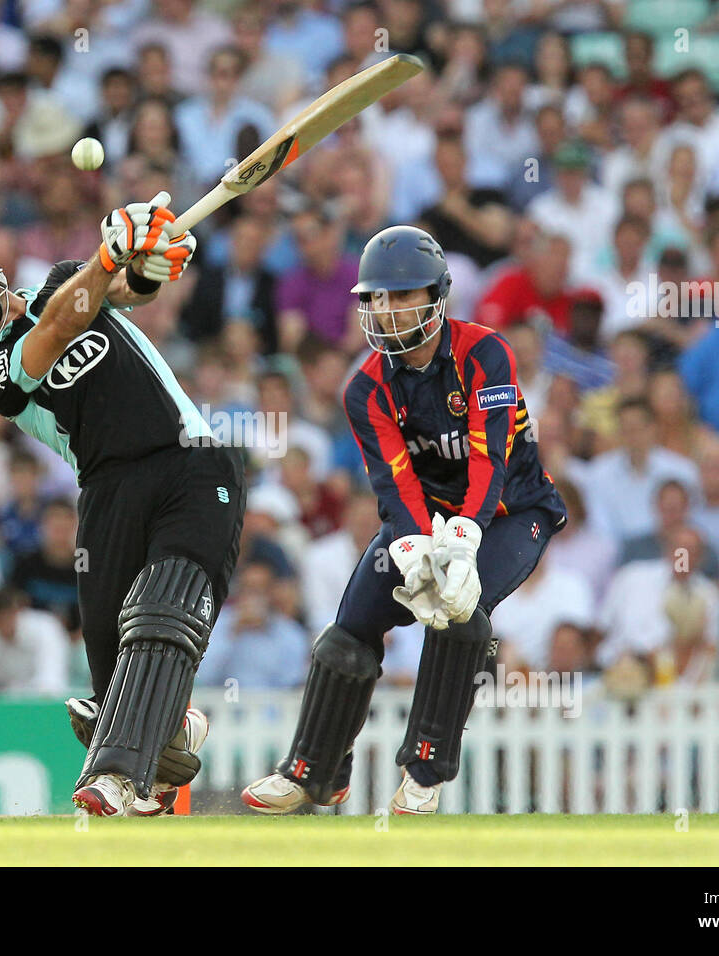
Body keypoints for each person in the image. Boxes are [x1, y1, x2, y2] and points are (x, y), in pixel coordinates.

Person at [0, 191, 246, 816]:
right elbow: (60, 325)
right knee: (117, 680)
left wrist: (147, 255)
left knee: (162, 617)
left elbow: (132, 292)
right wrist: (109, 256)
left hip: (188, 463)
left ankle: (113, 775)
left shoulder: (62, 278)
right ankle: (171, 735)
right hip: (107, 494)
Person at [242, 225, 567, 815]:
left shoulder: (485, 352)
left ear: (436, 296)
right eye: (375, 298)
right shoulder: (364, 387)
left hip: (511, 511)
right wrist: (417, 547)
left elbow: (487, 457)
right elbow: (393, 482)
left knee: (460, 616)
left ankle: (424, 770)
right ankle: (313, 772)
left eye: (400, 295)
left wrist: (463, 541)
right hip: (423, 514)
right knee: (348, 632)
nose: (385, 310)